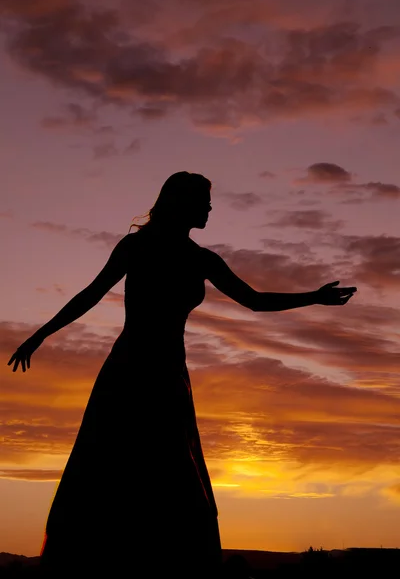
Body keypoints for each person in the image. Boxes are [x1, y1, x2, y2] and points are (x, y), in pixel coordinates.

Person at [7, 171, 357, 578]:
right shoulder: (137, 247)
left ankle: (166, 566)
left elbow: (255, 302)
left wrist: (314, 297)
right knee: (114, 464)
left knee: (170, 470)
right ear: (182, 203)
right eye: (204, 201)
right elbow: (91, 293)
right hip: (131, 368)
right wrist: (39, 335)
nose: (210, 208)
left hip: (172, 373)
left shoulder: (204, 259)